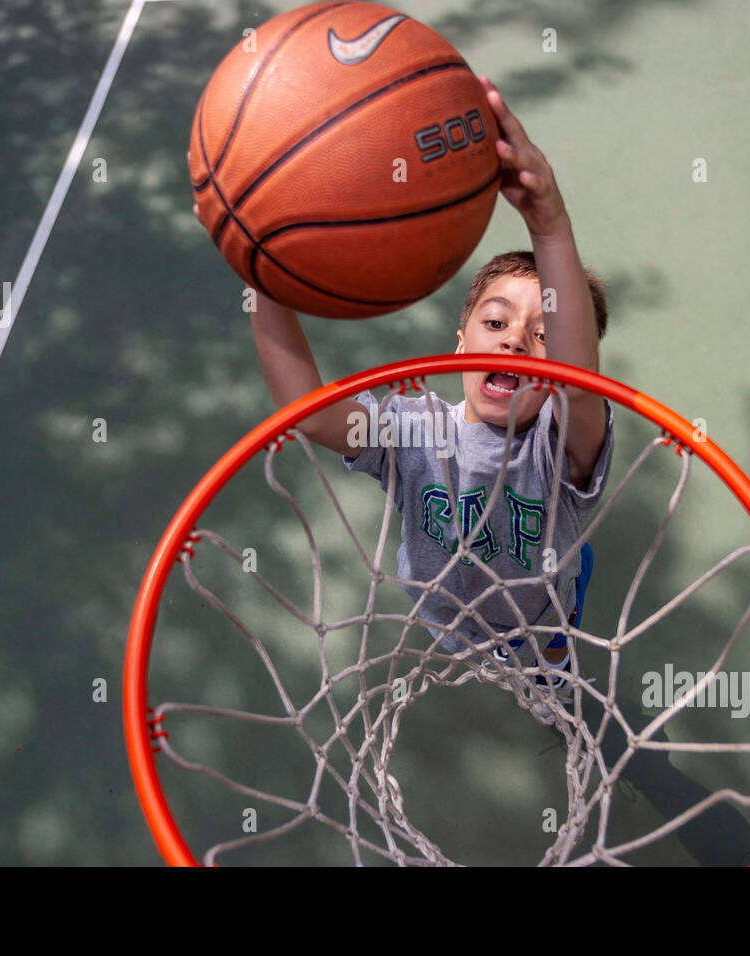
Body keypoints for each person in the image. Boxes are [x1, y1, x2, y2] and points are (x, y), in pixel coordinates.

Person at [246, 77, 612, 712]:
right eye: (495, 323)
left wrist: (548, 226)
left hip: (540, 613)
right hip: (445, 612)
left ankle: (553, 688)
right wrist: (266, 278)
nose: (515, 341)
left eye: (544, 333)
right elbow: (310, 412)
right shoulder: (417, 432)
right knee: (469, 661)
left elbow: (582, 391)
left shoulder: (559, 444)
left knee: (553, 663)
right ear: (461, 340)